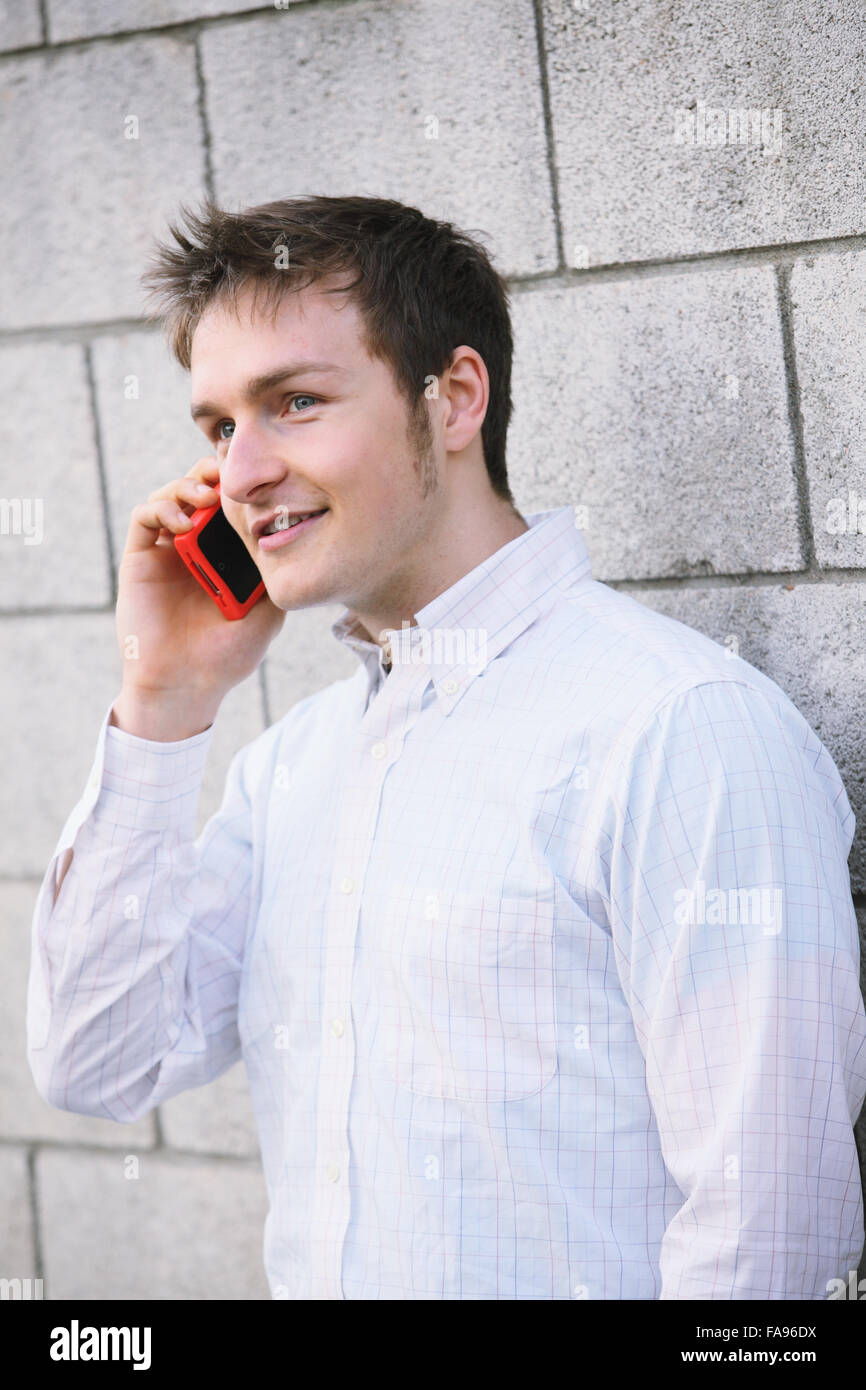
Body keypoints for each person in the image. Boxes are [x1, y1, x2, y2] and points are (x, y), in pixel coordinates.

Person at [27, 195, 866, 1300]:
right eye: (221, 426)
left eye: (295, 403)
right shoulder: (290, 769)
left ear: (454, 396)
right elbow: (100, 1062)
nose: (238, 476)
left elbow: (769, 1238)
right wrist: (163, 697)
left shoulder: (678, 731)